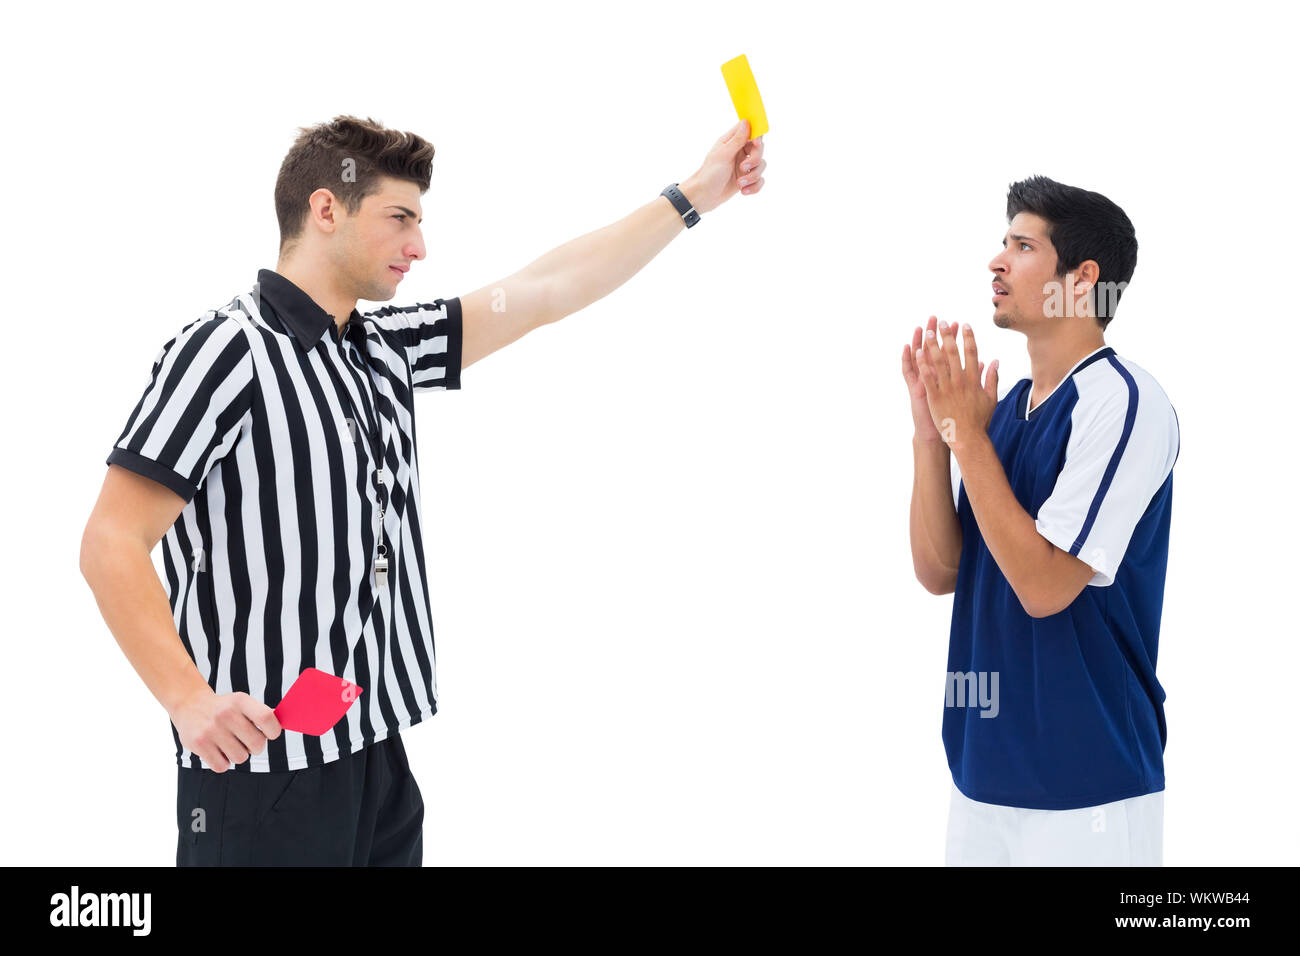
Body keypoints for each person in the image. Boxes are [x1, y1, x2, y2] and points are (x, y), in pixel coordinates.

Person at [79, 113, 766, 866]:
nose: (419, 246)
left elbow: (543, 289)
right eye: (400, 218)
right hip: (264, 776)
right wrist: (187, 699)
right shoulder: (225, 351)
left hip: (377, 752)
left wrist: (695, 193)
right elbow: (111, 541)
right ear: (327, 208)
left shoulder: (382, 349)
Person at [902, 176, 1178, 866]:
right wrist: (934, 439)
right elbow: (943, 572)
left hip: (1090, 793)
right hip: (980, 781)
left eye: (1022, 246)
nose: (996, 262)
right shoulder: (1007, 410)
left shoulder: (1125, 400)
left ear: (1081, 279)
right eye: (1002, 244)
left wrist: (969, 437)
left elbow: (1045, 587)